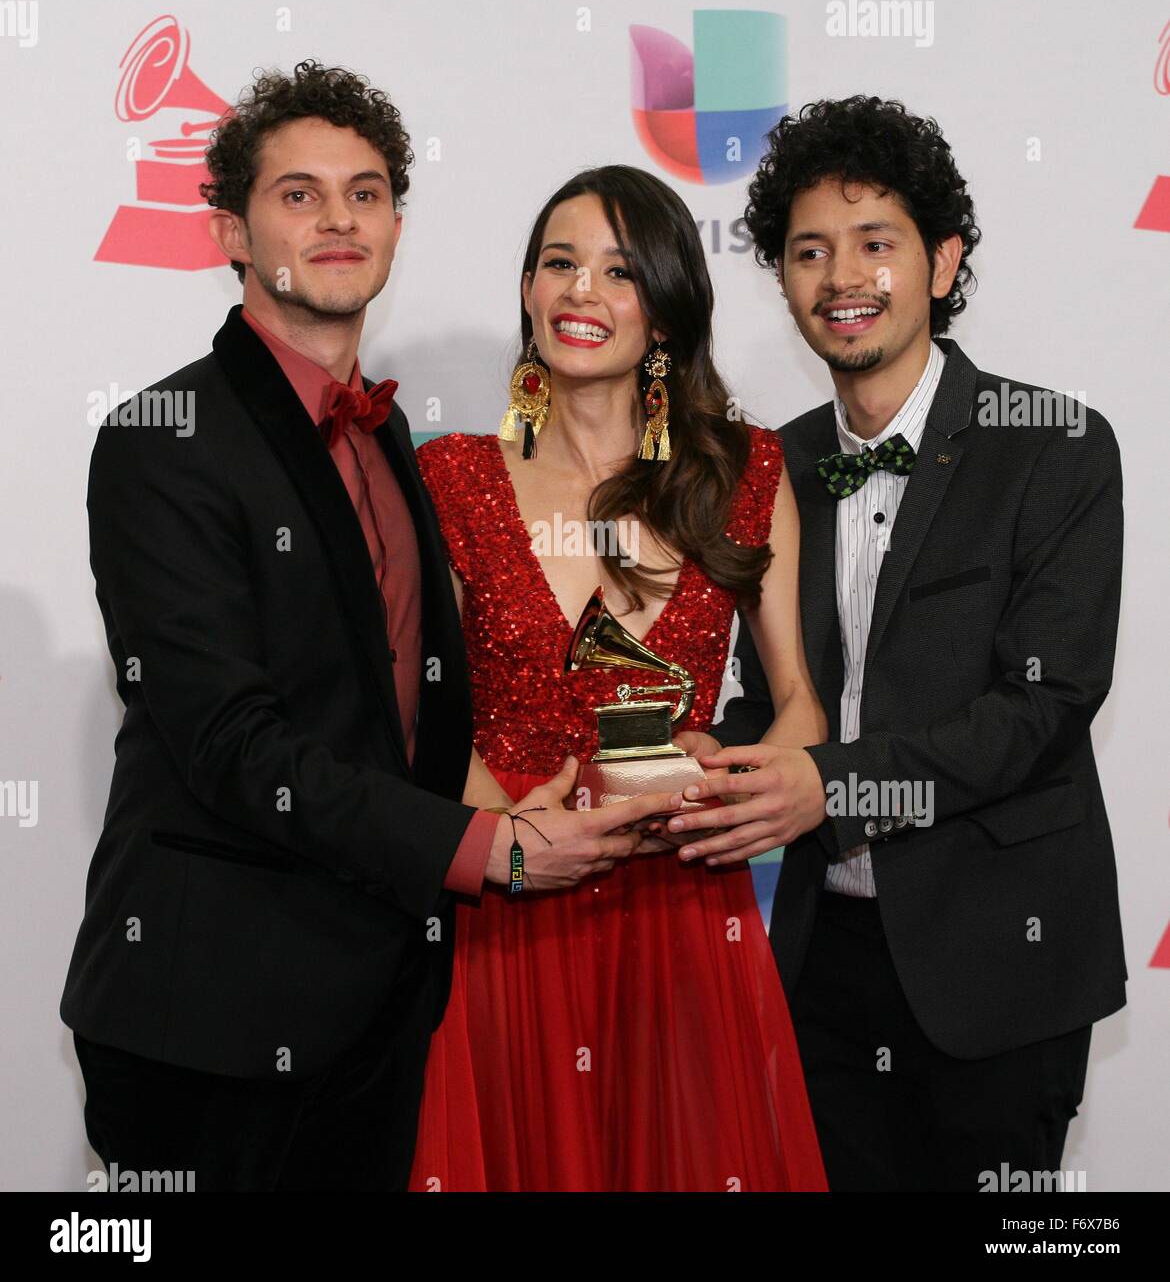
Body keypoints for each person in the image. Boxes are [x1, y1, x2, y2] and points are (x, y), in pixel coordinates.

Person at [59, 63, 673, 1192]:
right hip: (211, 1020)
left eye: (368, 190)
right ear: (230, 231)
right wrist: (491, 849)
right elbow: (232, 743)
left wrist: (502, 802)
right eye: (298, 194)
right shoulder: (165, 436)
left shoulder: (392, 440)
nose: (339, 217)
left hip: (386, 1005)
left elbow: (399, 712)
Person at [666, 96, 1127, 1191]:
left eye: (877, 244)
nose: (843, 278)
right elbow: (770, 694)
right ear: (780, 277)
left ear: (943, 258)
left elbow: (1041, 708)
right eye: (811, 250)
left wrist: (824, 785)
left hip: (999, 960)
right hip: (824, 963)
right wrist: (688, 757)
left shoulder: (1055, 446)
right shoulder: (768, 468)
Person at [409, 164, 829, 1191]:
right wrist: (506, 841)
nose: (580, 292)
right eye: (559, 263)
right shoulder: (452, 475)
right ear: (526, 290)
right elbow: (423, 712)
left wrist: (734, 785)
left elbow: (800, 707)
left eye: (618, 270)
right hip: (504, 914)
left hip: (678, 920)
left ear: (669, 308)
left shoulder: (745, 471)